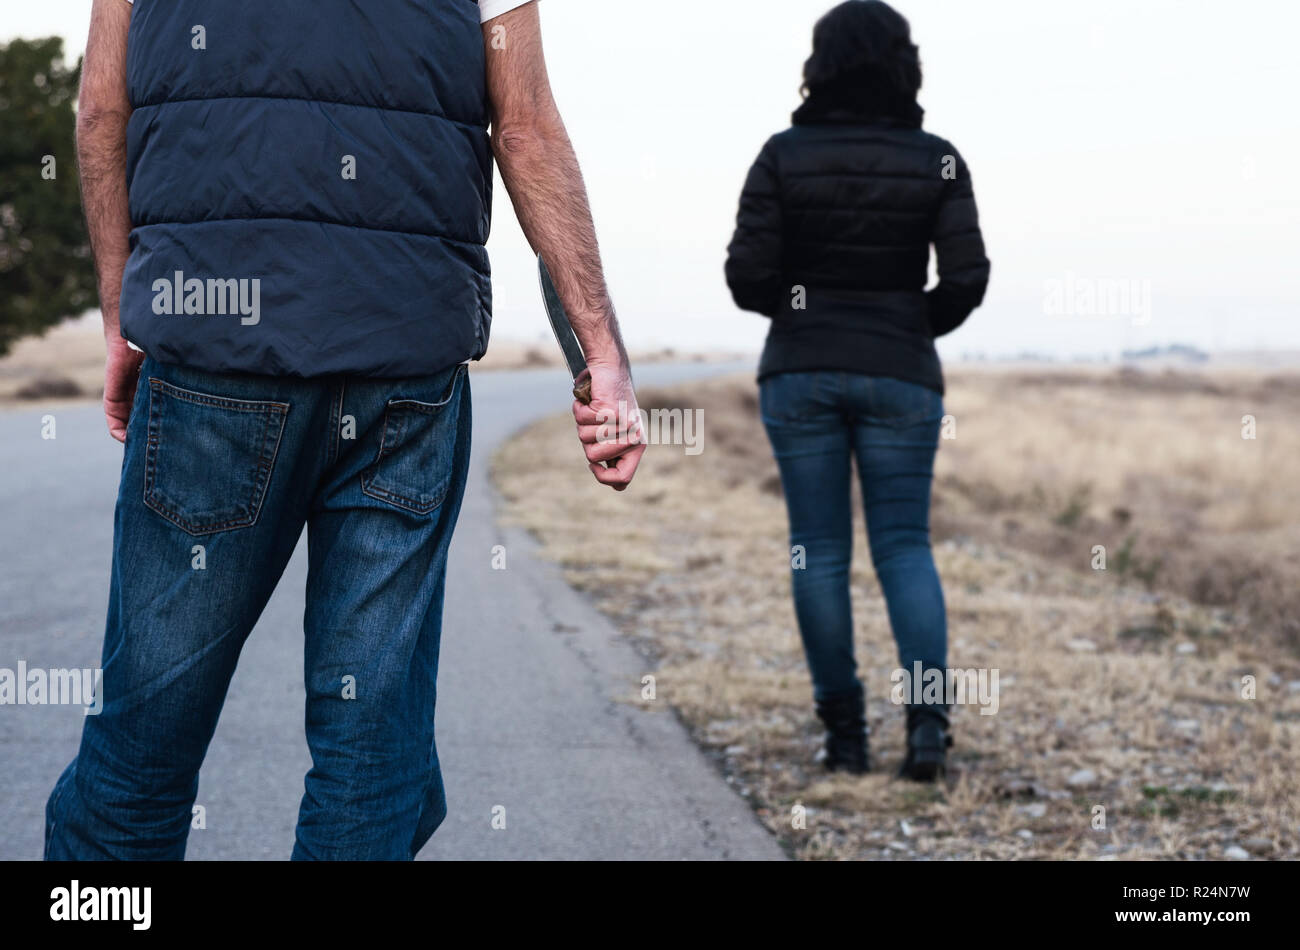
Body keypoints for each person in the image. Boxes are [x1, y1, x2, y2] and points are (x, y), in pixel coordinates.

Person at [48, 0, 645, 860]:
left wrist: (122, 317)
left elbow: (103, 108)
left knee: (144, 739)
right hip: (403, 366)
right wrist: (601, 354)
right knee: (370, 753)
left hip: (214, 353)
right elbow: (526, 131)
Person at [724, 0, 990, 781]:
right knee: (906, 548)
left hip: (799, 369)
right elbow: (967, 277)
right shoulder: (937, 158)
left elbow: (746, 279)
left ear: (820, 63)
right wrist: (908, 325)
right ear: (903, 63)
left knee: (818, 552)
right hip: (903, 372)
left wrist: (808, 317)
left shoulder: (781, 155)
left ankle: (844, 740)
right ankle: (927, 733)